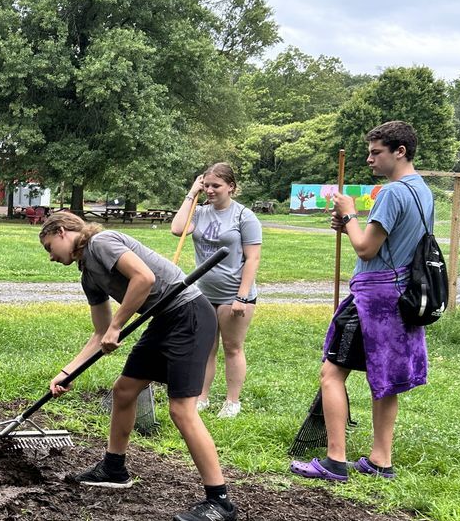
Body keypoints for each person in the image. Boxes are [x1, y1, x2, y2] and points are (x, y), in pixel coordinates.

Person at [39, 211, 239, 521]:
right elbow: (101, 331)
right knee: (125, 390)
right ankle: (114, 468)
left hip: (188, 315)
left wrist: (118, 325)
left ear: (62, 231)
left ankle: (221, 503)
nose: (51, 257)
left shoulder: (101, 242)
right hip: (163, 320)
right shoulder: (88, 275)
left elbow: (144, 279)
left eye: (50, 247)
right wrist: (68, 372)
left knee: (182, 410)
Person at [290, 120, 431, 483]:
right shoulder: (422, 191)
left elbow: (366, 249)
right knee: (384, 379)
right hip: (402, 297)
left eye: (376, 152)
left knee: (331, 373)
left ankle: (335, 461)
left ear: (400, 151)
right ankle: (381, 460)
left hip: (373, 301)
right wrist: (350, 224)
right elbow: (386, 240)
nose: (369, 159)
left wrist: (350, 213)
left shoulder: (392, 192)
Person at [171, 163, 262, 418]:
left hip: (234, 293)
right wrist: (192, 193)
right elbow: (177, 229)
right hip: (203, 292)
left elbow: (253, 259)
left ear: (231, 187)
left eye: (216, 186)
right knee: (205, 347)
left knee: (232, 347)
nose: (210, 190)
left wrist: (242, 296)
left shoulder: (244, 216)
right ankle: (202, 397)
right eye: (207, 185)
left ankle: (232, 402)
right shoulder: (199, 212)